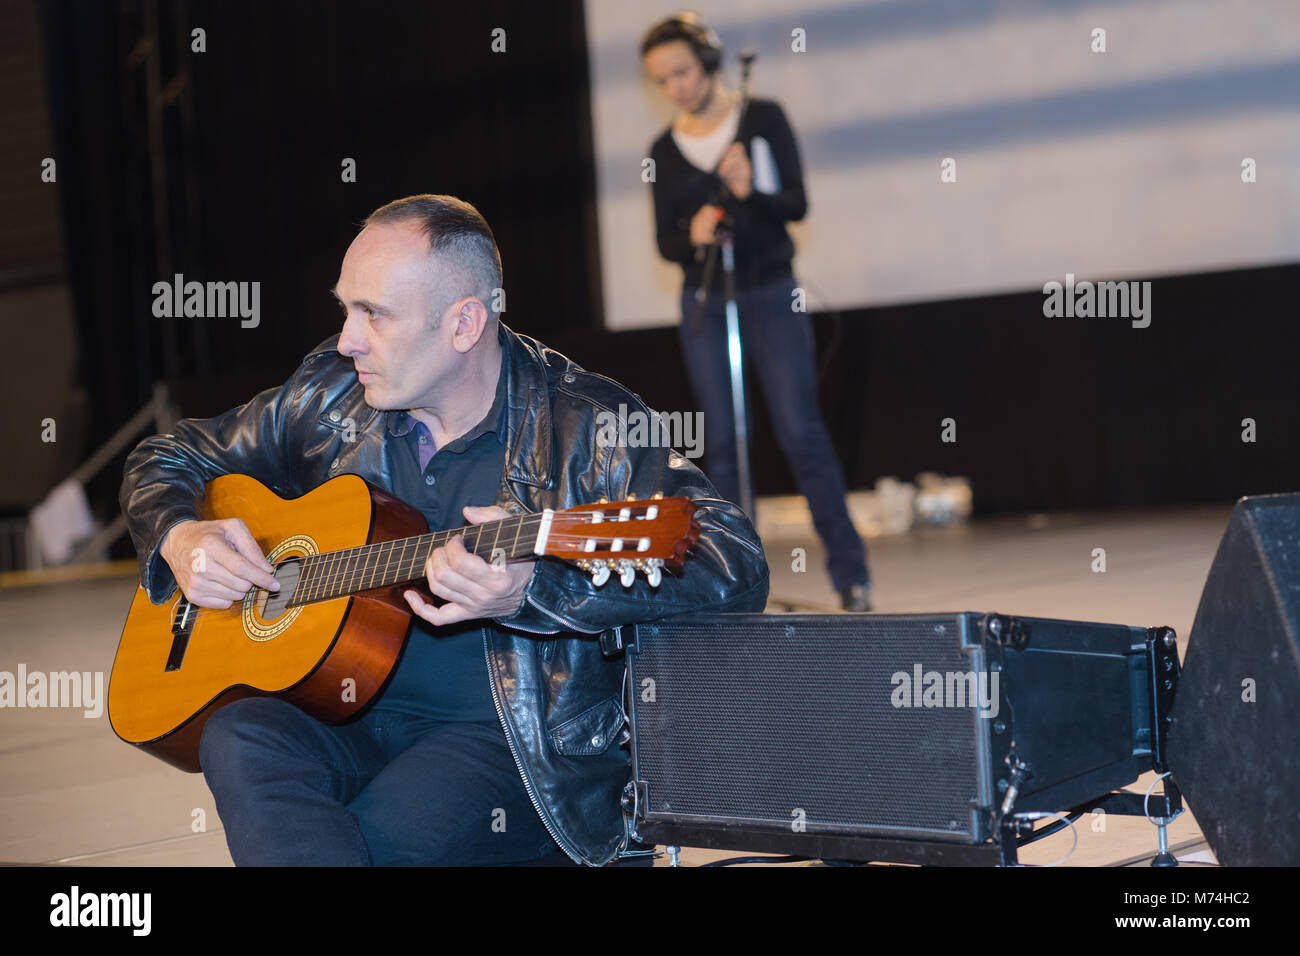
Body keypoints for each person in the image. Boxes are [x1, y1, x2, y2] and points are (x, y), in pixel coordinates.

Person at [119, 194, 769, 866]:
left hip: (512, 742)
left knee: (372, 844)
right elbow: (171, 455)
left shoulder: (588, 426)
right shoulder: (332, 391)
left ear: (464, 324)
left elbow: (733, 562)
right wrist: (179, 536)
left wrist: (535, 590)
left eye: (373, 314)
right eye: (345, 308)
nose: (346, 339)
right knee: (237, 733)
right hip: (344, 711)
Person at [640, 12, 872, 611]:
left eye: (683, 71)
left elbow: (794, 204)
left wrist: (750, 193)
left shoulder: (761, 119)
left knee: (800, 431)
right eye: (663, 80)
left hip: (771, 291)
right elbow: (665, 243)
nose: (678, 87)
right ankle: (738, 585)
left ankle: (852, 576)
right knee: (724, 443)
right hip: (705, 301)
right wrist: (692, 233)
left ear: (709, 61)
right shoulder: (663, 152)